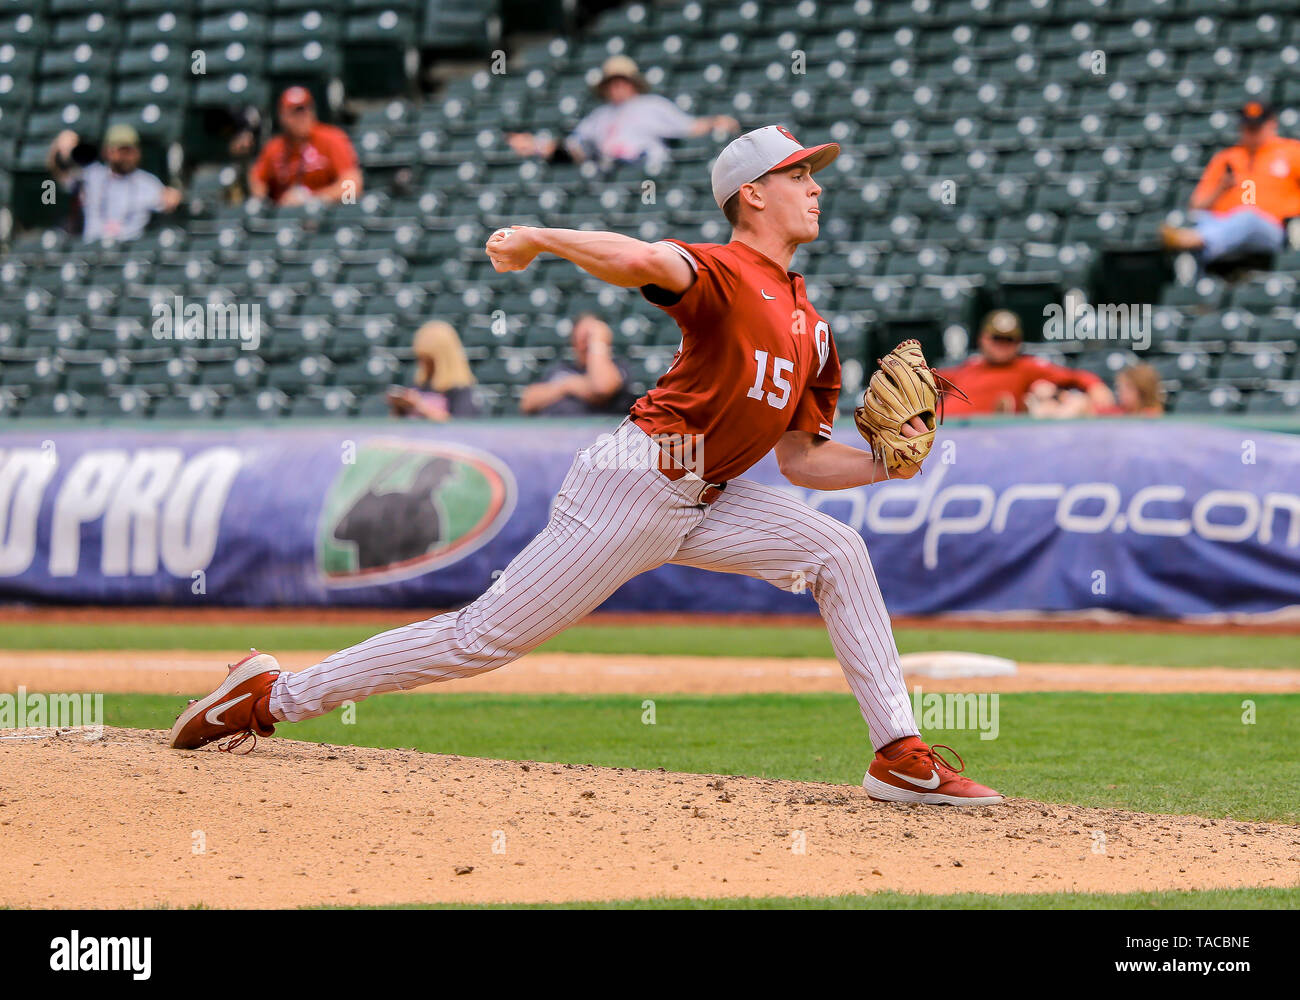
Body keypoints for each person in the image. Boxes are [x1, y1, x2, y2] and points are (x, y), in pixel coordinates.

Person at [168, 125, 1002, 806]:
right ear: (752, 193)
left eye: (813, 173)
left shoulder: (812, 324)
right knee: (480, 639)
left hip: (710, 495)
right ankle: (270, 694)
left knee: (838, 552)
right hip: (638, 478)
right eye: (799, 173)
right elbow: (639, 258)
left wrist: (882, 470)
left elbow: (801, 458)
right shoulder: (722, 271)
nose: (817, 186)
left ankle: (898, 754)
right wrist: (538, 238)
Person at [506, 56, 738, 170]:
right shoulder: (599, 115)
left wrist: (716, 121)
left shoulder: (652, 104)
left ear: (633, 83)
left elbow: (688, 127)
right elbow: (575, 148)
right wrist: (538, 145)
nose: (617, 88)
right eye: (612, 83)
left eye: (622, 81)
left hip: (646, 169)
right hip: (609, 171)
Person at [1160, 102, 1300, 265]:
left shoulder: (1291, 152)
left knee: (1247, 216)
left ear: (1271, 124)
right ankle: (1195, 254)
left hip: (1273, 229)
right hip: (1225, 223)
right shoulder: (1226, 158)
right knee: (1199, 218)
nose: (1252, 133)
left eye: (1257, 127)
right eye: (1248, 127)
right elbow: (1196, 206)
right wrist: (1221, 188)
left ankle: (1194, 242)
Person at [939, 309, 1115, 416]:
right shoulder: (969, 367)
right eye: (997, 338)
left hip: (984, 438)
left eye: (1009, 340)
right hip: (943, 435)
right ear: (982, 339)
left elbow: (1075, 377)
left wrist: (1095, 386)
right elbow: (933, 378)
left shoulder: (1025, 367)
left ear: (1018, 342)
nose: (1002, 345)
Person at [45, 123, 182, 243]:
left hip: (128, 250)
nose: (125, 157)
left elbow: (169, 200)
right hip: (92, 249)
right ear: (107, 152)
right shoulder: (93, 176)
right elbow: (59, 175)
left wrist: (173, 196)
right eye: (120, 150)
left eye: (129, 151)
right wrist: (59, 150)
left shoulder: (147, 182)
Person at [248, 87, 362, 206]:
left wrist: (312, 198)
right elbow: (257, 181)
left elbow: (352, 187)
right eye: (295, 112)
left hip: (327, 215)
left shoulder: (332, 138)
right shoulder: (275, 147)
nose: (302, 117)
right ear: (282, 116)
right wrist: (264, 199)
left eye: (305, 110)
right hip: (287, 217)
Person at [519, 313, 631, 416]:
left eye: (589, 336)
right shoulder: (561, 368)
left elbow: (601, 388)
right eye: (580, 336)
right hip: (551, 432)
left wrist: (597, 343)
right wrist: (567, 386)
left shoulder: (615, 367)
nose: (584, 342)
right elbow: (527, 402)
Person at [386, 320, 482, 420]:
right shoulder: (420, 385)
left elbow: (461, 426)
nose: (423, 364)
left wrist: (420, 406)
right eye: (421, 358)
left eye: (428, 359)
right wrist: (400, 408)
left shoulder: (461, 390)